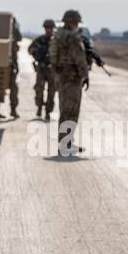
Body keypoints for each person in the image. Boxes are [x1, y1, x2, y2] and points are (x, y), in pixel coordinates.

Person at [48, 9, 90, 155]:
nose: (77, 25)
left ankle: (65, 143)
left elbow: (53, 58)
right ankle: (66, 145)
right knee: (71, 112)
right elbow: (79, 58)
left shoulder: (58, 35)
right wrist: (85, 75)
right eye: (76, 22)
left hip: (61, 77)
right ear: (72, 22)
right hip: (72, 78)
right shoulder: (72, 37)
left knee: (64, 111)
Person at [0, 19, 23, 120]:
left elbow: (19, 38)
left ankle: (13, 110)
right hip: (1, 65)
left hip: (12, 65)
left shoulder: (13, 37)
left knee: (14, 89)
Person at [28, 19, 57, 119]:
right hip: (41, 68)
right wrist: (37, 52)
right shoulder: (40, 40)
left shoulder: (56, 41)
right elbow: (30, 49)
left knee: (51, 92)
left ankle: (48, 111)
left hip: (52, 70)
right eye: (47, 28)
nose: (48, 30)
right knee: (39, 90)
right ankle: (39, 107)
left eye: (50, 28)